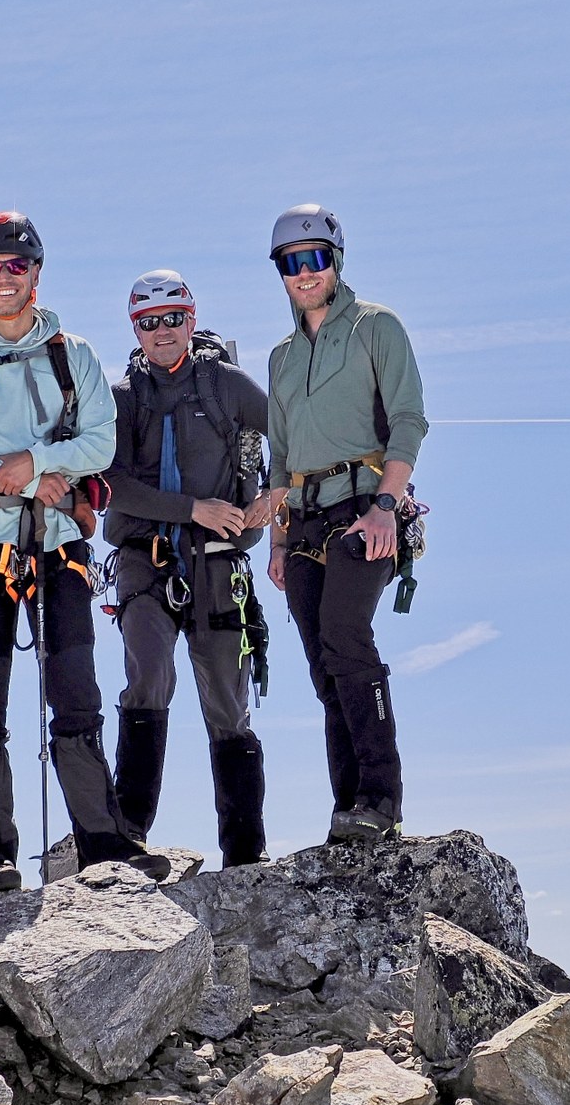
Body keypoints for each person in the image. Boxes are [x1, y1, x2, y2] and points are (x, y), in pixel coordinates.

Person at [0, 211, 168, 890]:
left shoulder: (73, 353)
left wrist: (29, 459)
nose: (4, 278)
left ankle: (103, 844)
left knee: (76, 695)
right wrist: (34, 473)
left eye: (16, 265)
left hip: (58, 547)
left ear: (37, 271)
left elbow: (101, 445)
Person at [252, 205, 428, 842]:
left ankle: (382, 799)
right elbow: (278, 455)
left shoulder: (377, 327)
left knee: (345, 636)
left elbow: (410, 421)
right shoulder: (280, 357)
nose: (304, 272)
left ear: (336, 259)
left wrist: (386, 506)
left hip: (364, 511)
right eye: (291, 263)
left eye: (315, 258)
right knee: (324, 665)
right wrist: (274, 540)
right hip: (300, 523)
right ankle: (347, 805)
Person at [103, 269, 271, 867]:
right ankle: (129, 837)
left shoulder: (227, 385)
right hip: (143, 563)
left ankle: (245, 856)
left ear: (191, 320)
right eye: (148, 323)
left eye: (172, 319)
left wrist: (270, 504)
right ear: (136, 330)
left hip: (218, 567)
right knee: (148, 677)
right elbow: (111, 485)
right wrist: (192, 508)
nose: (162, 332)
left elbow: (293, 435)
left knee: (228, 701)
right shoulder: (121, 397)